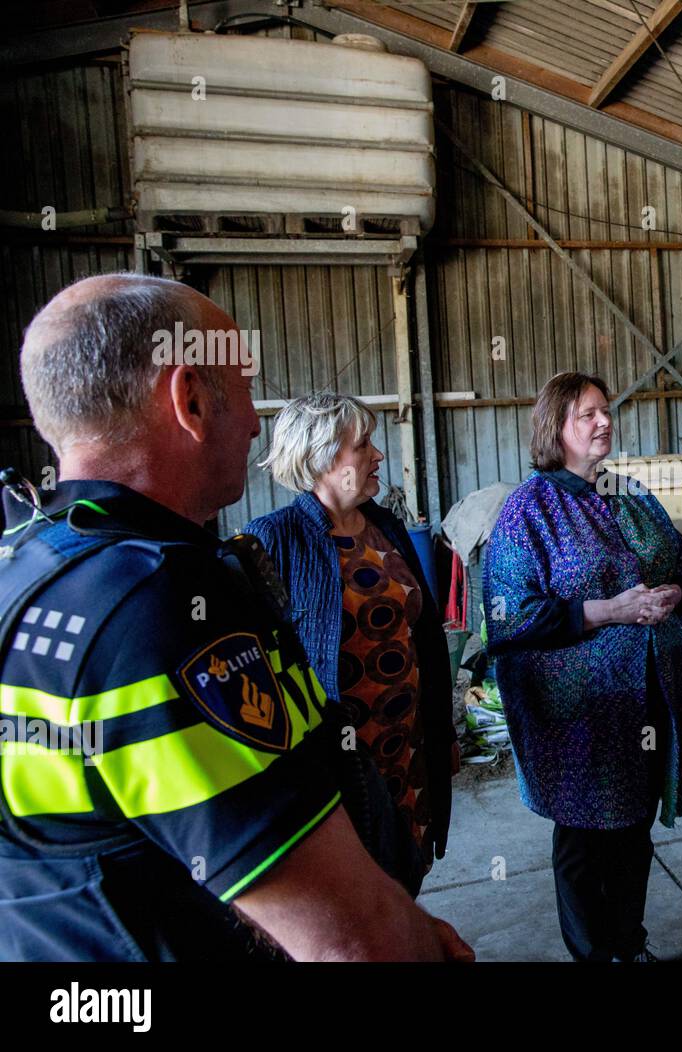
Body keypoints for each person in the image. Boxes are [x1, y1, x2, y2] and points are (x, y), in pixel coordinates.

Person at [0, 273, 472, 962]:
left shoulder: (31, 566)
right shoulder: (159, 606)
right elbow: (347, 940)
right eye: (247, 392)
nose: (255, 423)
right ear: (189, 400)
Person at [482, 372, 682, 962]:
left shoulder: (629, 493)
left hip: (644, 700)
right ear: (556, 427)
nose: (604, 422)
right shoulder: (529, 511)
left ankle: (630, 945)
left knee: (633, 829)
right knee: (582, 836)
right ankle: (591, 955)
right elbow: (508, 616)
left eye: (606, 411)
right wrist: (609, 610)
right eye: (588, 414)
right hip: (576, 714)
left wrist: (673, 594)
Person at [243, 393, 456, 888]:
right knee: (359, 891)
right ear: (322, 459)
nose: (378, 455)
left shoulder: (386, 526)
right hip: (341, 766)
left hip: (406, 749)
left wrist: (441, 729)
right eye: (363, 445)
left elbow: (423, 636)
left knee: (405, 874)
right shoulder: (275, 539)